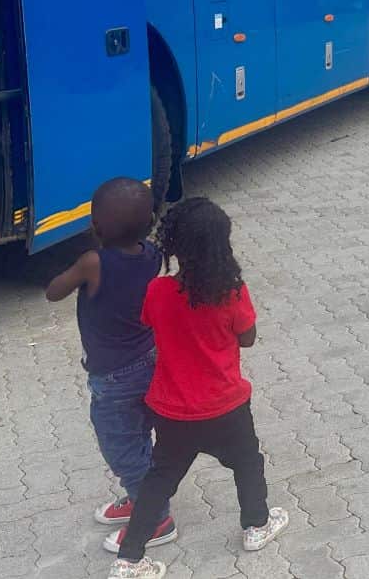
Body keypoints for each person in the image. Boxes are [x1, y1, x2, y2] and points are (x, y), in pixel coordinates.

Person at [109, 198, 288, 578]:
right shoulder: (232, 292)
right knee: (247, 463)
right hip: (226, 406)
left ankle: (129, 558)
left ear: (173, 246)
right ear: (222, 246)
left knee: (159, 481)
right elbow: (248, 338)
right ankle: (256, 525)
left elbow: (151, 323)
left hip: (172, 410)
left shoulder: (157, 292)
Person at [45, 179, 177, 555]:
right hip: (151, 362)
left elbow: (54, 291)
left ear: (95, 226)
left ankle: (156, 518)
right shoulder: (152, 253)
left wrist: (71, 268)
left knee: (120, 446)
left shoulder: (93, 263)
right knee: (138, 436)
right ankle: (143, 496)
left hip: (114, 377)